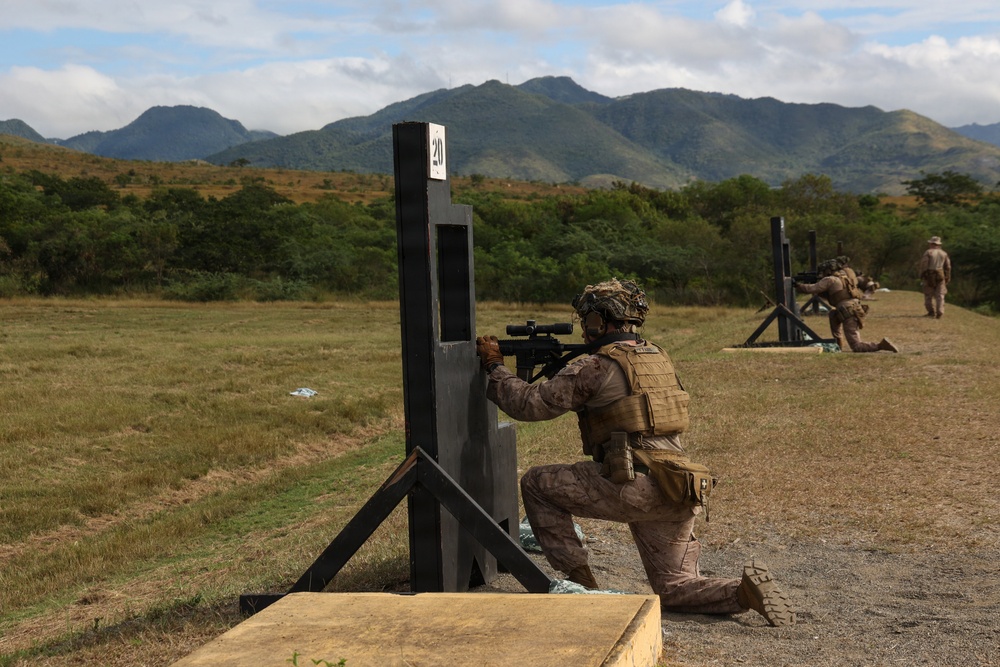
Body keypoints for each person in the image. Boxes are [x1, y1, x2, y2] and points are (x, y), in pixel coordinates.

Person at [475, 278, 795, 626]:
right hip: (680, 486)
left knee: (538, 484)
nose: (585, 328)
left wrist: (495, 367)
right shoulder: (658, 356)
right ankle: (742, 592)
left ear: (600, 321)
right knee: (674, 587)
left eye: (588, 320)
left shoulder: (595, 366)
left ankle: (580, 584)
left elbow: (528, 405)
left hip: (633, 483)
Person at [795, 258, 899, 353]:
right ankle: (838, 346)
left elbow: (811, 289)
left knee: (856, 346)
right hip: (850, 308)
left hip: (849, 311)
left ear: (828, 270)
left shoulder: (830, 280)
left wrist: (798, 285)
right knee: (833, 316)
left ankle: (881, 345)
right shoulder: (846, 277)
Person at [918, 236, 951, 318]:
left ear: (932, 244)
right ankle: (940, 311)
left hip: (929, 275)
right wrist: (947, 277)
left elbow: (924, 264)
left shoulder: (928, 252)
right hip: (940, 274)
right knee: (940, 294)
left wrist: (922, 274)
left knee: (928, 294)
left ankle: (931, 311)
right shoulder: (944, 253)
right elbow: (948, 267)